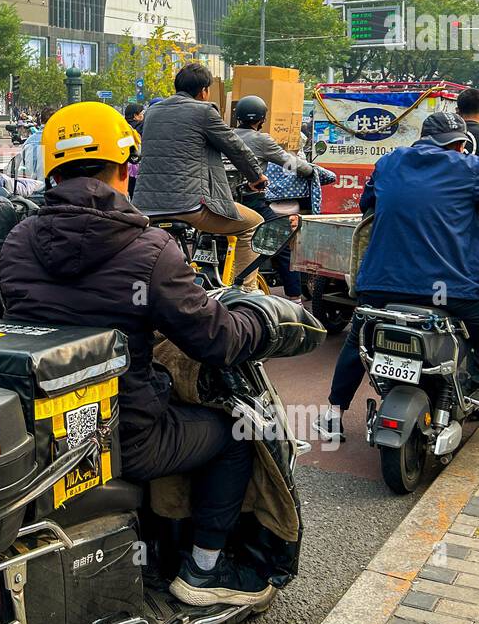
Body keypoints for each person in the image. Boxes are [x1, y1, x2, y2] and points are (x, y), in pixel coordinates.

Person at [0, 102, 305, 608]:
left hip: (47, 427)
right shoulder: (151, 248)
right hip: (125, 434)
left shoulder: (17, 239)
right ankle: (204, 570)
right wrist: (263, 316)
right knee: (235, 433)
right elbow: (216, 341)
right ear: (123, 169)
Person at [316, 110, 479, 443]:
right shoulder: (471, 169)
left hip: (380, 284)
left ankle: (333, 413)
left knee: (358, 336)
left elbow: (368, 206)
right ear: (461, 144)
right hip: (451, 289)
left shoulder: (389, 163)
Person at [132, 63, 267, 286]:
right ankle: (245, 293)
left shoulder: (153, 112)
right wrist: (256, 177)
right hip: (189, 205)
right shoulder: (204, 112)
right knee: (253, 224)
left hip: (146, 208)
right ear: (204, 91)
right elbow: (235, 147)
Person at [233, 94, 317, 302]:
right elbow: (288, 161)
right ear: (261, 119)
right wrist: (308, 171)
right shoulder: (261, 140)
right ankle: (294, 298)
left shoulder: (227, 135)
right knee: (282, 239)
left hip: (223, 202)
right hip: (251, 201)